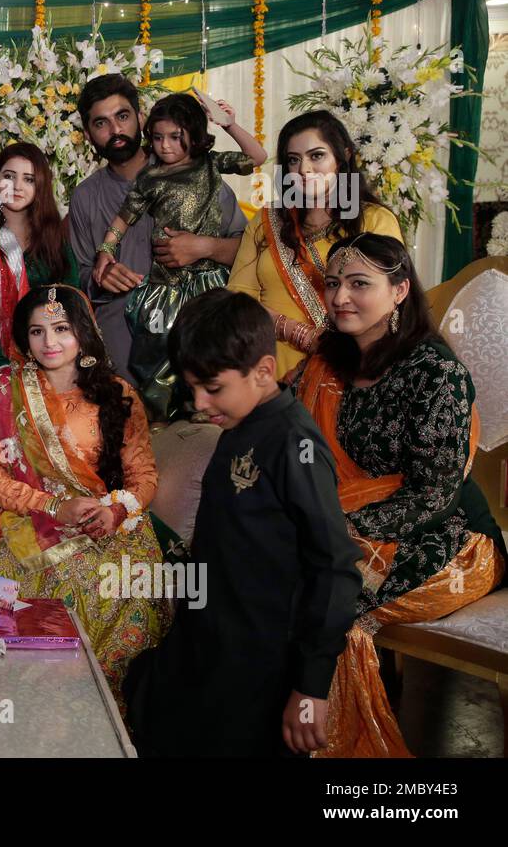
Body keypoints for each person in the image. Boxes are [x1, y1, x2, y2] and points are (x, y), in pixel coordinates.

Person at [289, 234, 506, 757]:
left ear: (401, 290)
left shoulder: (436, 373)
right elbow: (289, 438)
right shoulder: (326, 363)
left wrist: (339, 532)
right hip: (348, 519)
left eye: (360, 284)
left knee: (335, 598)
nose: (340, 297)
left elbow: (434, 493)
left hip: (450, 535)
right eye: (334, 283)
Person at [125, 288, 361, 756]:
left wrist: (311, 688)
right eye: (191, 387)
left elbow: (335, 566)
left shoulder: (296, 444)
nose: (198, 402)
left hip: (260, 661)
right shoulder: (238, 427)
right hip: (208, 640)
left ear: (264, 371)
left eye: (213, 388)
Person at [0, 283, 165, 702]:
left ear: (84, 331)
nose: (49, 341)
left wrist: (114, 512)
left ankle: (99, 708)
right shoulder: (7, 391)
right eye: (37, 331)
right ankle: (29, 708)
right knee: (42, 579)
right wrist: (54, 506)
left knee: (109, 585)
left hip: (107, 522)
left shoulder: (118, 394)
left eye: (61, 328)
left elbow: (143, 476)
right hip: (31, 520)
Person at [91, 92, 265, 420]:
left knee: (213, 349)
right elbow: (123, 219)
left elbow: (258, 156)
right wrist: (105, 250)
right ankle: (160, 424)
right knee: (157, 354)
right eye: (157, 138)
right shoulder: (151, 178)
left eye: (175, 137)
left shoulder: (211, 165)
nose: (165, 146)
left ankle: (211, 413)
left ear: (195, 136)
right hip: (165, 286)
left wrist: (229, 124)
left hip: (208, 283)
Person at [67, 76, 248, 377]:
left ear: (141, 118)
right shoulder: (86, 197)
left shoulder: (195, 171)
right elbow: (78, 275)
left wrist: (205, 247)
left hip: (199, 354)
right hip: (122, 364)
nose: (116, 130)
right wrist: (101, 276)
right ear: (88, 134)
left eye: (122, 116)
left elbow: (250, 251)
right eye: (101, 123)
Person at [228, 111, 402, 377]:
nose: (304, 170)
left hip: (347, 370)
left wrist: (321, 356)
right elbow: (237, 301)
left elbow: (388, 307)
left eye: (316, 156)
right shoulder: (266, 221)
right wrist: (298, 333)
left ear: (342, 157)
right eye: (293, 160)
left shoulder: (374, 221)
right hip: (266, 371)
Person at [0, 142, 81, 371]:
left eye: (29, 179)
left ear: (40, 185)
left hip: (48, 357)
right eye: (9, 176)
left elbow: (70, 292)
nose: (17, 186)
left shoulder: (51, 232)